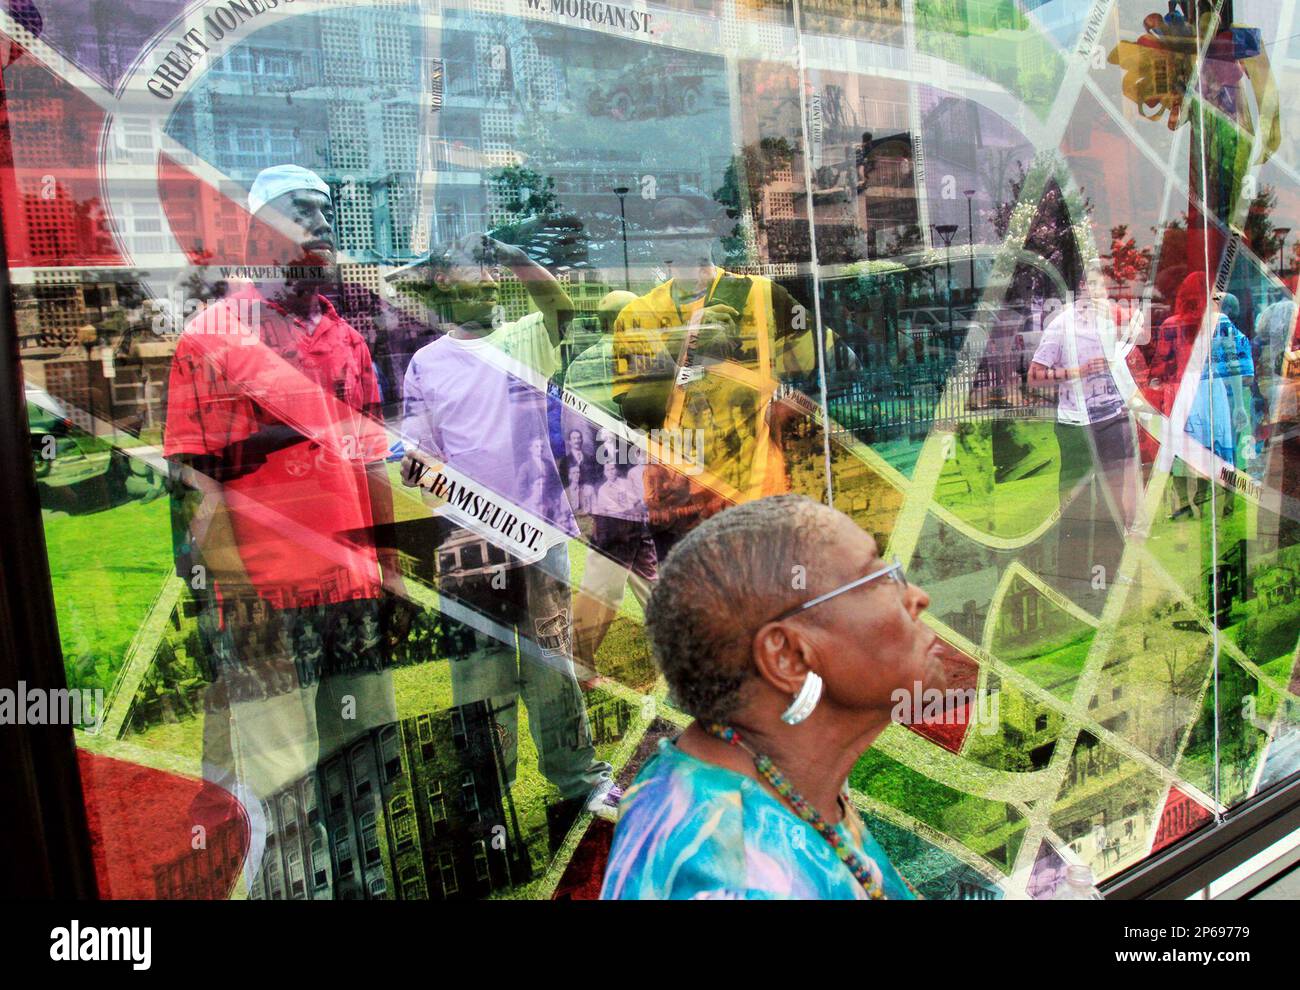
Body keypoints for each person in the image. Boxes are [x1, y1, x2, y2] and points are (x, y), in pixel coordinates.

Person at [163, 164, 402, 896]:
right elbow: (194, 482)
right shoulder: (213, 340)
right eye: (306, 212)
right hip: (267, 598)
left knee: (365, 758)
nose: (325, 226)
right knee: (280, 779)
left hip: (350, 590)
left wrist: (386, 565)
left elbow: (373, 463)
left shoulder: (345, 339)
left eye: (329, 212)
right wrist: (240, 596)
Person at [602, 495, 942, 899]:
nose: (917, 597)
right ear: (789, 657)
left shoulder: (753, 768)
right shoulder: (737, 879)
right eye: (875, 580)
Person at [394, 233, 619, 819]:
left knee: (552, 661)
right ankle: (485, 793)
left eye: (497, 273)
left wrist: (513, 253)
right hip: (467, 542)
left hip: (538, 534)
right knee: (479, 673)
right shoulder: (426, 363)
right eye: (481, 271)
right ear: (446, 283)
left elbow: (560, 307)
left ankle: (580, 778)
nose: (493, 281)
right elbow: (419, 462)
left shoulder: (522, 341)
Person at [1029, 258, 1141, 535]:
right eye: (1092, 283)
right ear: (1081, 287)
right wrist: (1077, 371)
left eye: (1104, 284)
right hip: (1076, 424)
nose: (1099, 290)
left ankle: (1117, 540)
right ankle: (1074, 547)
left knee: (1116, 487)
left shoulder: (1113, 320)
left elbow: (1136, 345)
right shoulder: (1062, 325)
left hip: (1114, 416)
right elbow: (1034, 376)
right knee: (1075, 495)